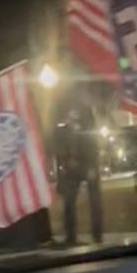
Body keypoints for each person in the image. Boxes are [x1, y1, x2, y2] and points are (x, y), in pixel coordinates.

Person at [54, 93, 103, 246]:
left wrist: (92, 165)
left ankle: (96, 234)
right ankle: (71, 236)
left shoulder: (86, 116)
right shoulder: (62, 118)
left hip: (86, 162)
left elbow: (92, 140)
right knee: (69, 202)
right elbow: (59, 143)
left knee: (94, 201)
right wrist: (64, 162)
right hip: (71, 165)